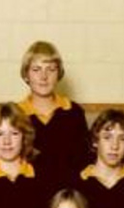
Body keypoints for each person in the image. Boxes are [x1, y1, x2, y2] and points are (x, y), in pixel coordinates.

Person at [16, 41, 90, 185]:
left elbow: (84, 161)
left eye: (51, 69)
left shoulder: (74, 113)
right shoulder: (16, 114)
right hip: (27, 190)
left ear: (59, 74)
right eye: (36, 69)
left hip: (67, 193)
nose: (44, 76)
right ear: (26, 75)